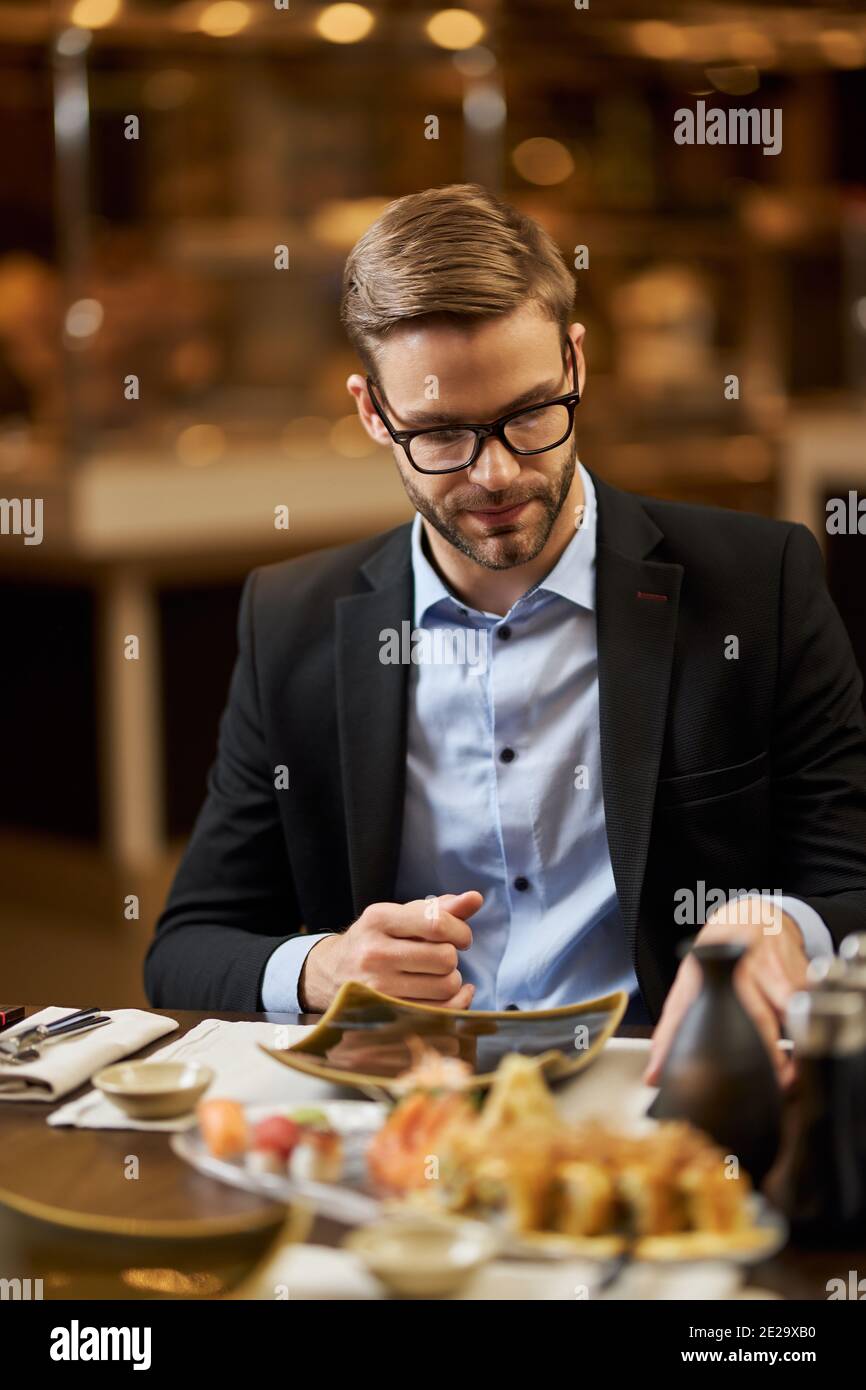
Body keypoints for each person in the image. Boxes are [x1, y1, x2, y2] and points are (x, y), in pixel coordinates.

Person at [145, 184, 866, 1086]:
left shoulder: (761, 583)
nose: (496, 474)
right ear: (373, 412)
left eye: (530, 414)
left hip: (662, 1100)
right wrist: (325, 965)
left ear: (575, 360)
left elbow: (853, 885)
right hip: (410, 1116)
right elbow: (184, 947)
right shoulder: (290, 620)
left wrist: (781, 923)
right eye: (442, 434)